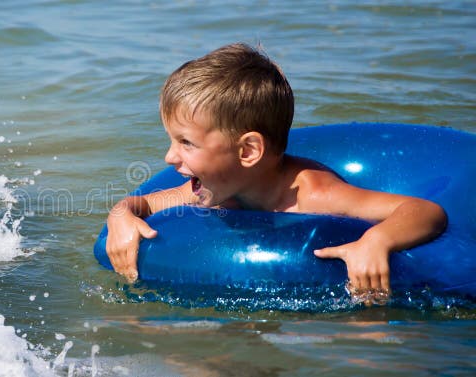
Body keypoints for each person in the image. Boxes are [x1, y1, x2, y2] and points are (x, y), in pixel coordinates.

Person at [105, 43, 447, 303]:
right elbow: (142, 205)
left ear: (248, 151)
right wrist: (120, 215)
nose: (169, 157)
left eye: (186, 143)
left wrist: (376, 241)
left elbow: (424, 211)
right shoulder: (218, 189)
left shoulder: (315, 195)